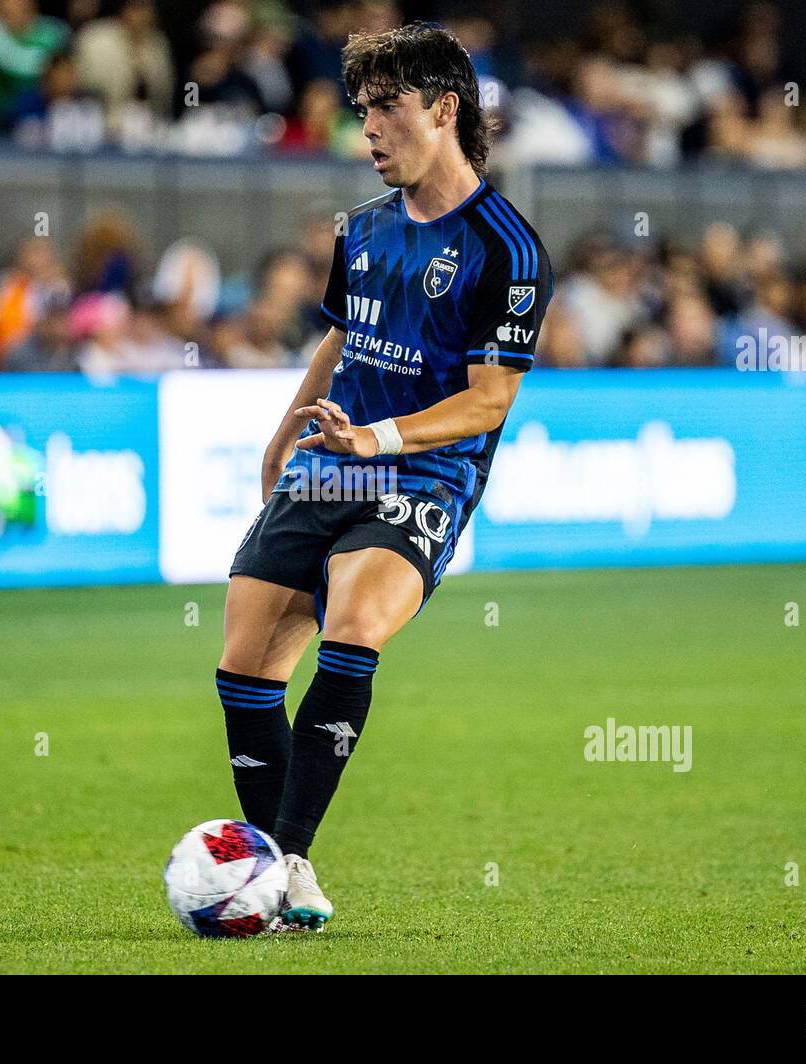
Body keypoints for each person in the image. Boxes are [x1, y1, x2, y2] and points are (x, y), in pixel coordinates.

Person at [215, 22, 552, 931]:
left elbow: (489, 404)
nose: (367, 127)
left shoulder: (508, 251)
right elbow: (342, 333)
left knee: (356, 623)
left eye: (387, 106)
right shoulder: (361, 228)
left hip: (424, 474)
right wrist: (285, 433)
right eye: (363, 108)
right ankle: (285, 869)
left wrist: (381, 438)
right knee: (244, 663)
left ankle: (283, 873)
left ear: (445, 110)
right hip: (329, 464)